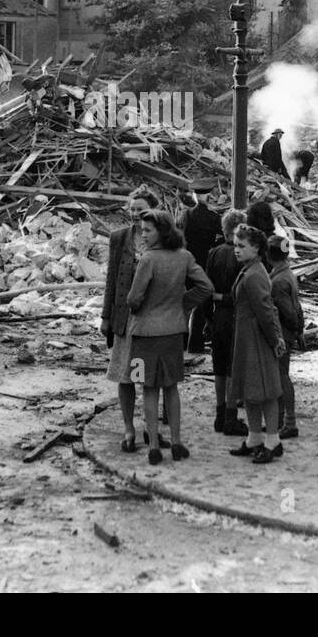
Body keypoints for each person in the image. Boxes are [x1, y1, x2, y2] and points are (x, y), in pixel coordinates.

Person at [125, 211, 214, 464]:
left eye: (147, 230)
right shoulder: (184, 256)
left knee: (148, 388)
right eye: (142, 230)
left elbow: (133, 298)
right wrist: (182, 304)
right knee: (172, 387)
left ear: (162, 232)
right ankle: (176, 442)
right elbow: (206, 287)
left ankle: (153, 445)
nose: (143, 235)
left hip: (144, 334)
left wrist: (139, 305)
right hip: (174, 332)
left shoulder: (148, 260)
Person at [102, 188, 161, 454]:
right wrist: (106, 316)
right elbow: (111, 279)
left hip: (151, 320)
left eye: (141, 209)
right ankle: (129, 428)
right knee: (125, 376)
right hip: (124, 319)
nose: (136, 214)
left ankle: (151, 427)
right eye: (132, 209)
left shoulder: (161, 239)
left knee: (148, 376)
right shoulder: (119, 238)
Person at [227, 225, 288, 463]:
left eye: (242, 246)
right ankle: (254, 437)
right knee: (251, 390)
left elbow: (266, 311)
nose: (237, 250)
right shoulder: (251, 269)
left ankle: (272, 441)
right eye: (235, 245)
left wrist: (275, 340)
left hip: (257, 339)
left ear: (256, 248)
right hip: (247, 338)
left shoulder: (254, 274)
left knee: (266, 391)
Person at [206, 209, 249, 436]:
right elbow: (244, 294)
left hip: (218, 317)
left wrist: (208, 318)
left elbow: (205, 288)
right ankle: (231, 415)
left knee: (219, 367)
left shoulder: (213, 253)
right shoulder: (242, 256)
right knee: (233, 367)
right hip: (237, 316)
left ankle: (219, 413)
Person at [176, 184, 221, 353]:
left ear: (194, 197)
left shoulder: (185, 215)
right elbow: (223, 237)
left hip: (186, 262)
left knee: (185, 302)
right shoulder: (214, 217)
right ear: (208, 197)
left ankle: (181, 341)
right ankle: (196, 343)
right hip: (205, 264)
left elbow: (177, 236)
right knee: (201, 304)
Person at [268, 235, 305, 439]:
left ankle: (289, 422)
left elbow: (288, 312)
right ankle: (280, 420)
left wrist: (294, 330)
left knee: (282, 377)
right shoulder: (288, 274)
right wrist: (299, 330)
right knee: (280, 376)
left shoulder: (278, 281)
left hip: (282, 333)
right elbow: (297, 307)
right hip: (289, 332)